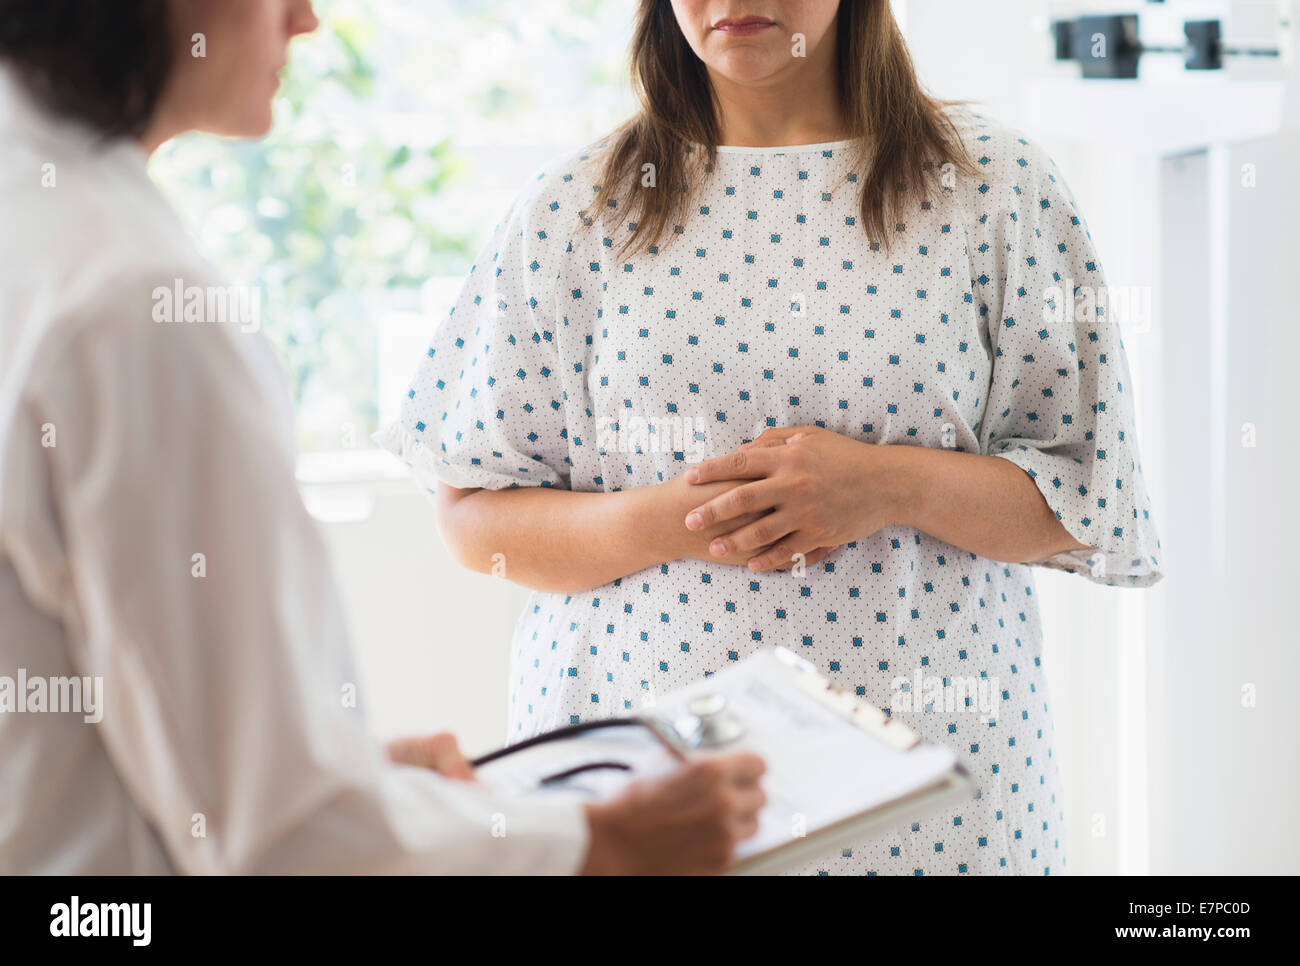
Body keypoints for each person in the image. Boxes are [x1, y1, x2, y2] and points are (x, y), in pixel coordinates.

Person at [379, 0, 1165, 875]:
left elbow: (1086, 501)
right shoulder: (576, 206)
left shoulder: (994, 183)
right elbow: (473, 518)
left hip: (939, 803)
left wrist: (889, 485)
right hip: (647, 800)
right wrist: (680, 519)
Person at [0, 0, 766, 875]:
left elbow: (163, 742)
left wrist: (354, 782)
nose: (306, 20)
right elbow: (285, 838)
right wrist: (603, 845)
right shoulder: (132, 306)